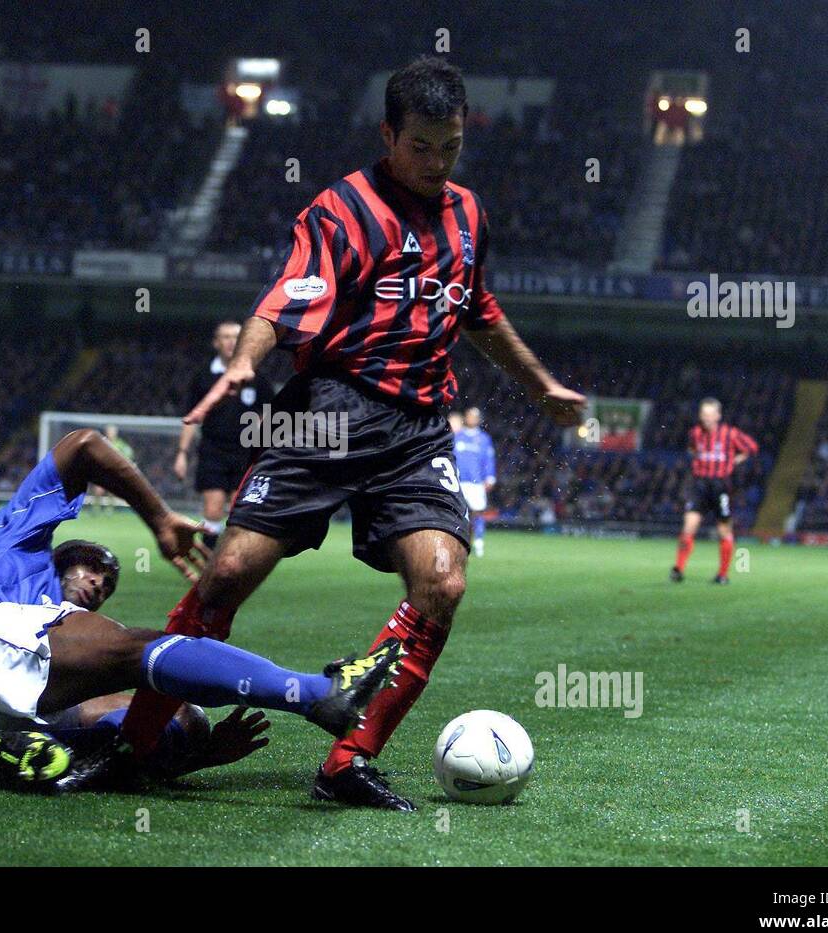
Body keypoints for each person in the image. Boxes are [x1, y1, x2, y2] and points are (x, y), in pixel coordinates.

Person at [111, 57, 585, 810]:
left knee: (443, 583)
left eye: (451, 147)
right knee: (229, 574)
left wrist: (541, 385)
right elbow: (279, 301)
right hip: (326, 412)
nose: (436, 163)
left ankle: (347, 760)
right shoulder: (342, 210)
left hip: (418, 428)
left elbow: (477, 308)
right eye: (421, 146)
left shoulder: (468, 214)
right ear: (388, 135)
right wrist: (241, 367)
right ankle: (129, 748)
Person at [0, 427, 403, 790]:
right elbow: (85, 445)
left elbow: (142, 722)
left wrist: (199, 757)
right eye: (90, 568)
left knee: (185, 717)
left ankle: (46, 756)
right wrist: (159, 518)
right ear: (60, 557)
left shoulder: (51, 645)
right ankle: (318, 693)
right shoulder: (19, 540)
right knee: (142, 649)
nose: (97, 582)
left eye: (107, 582)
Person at [173, 321, 275, 550]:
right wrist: (182, 453)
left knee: (240, 510)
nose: (231, 342)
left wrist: (262, 440)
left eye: (236, 337)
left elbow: (268, 412)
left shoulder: (257, 377)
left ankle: (232, 561)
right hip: (213, 450)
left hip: (245, 452)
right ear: (216, 342)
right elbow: (192, 418)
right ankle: (208, 562)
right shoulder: (202, 377)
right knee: (212, 510)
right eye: (226, 337)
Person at [670, 398, 758, 584]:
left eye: (710, 415)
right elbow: (692, 449)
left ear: (718, 416)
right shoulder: (695, 433)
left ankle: (723, 574)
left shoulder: (730, 434)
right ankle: (678, 568)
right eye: (703, 415)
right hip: (700, 484)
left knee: (724, 529)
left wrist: (735, 460)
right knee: (689, 526)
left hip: (720, 486)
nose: (706, 418)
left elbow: (752, 447)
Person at [452, 407, 496, 557]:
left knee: (478, 513)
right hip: (459, 481)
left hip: (476, 482)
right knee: (459, 513)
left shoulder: (483, 439)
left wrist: (490, 477)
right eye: (470, 416)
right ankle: (460, 540)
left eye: (475, 417)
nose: (472, 419)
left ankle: (478, 541)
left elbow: (488, 460)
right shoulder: (457, 436)